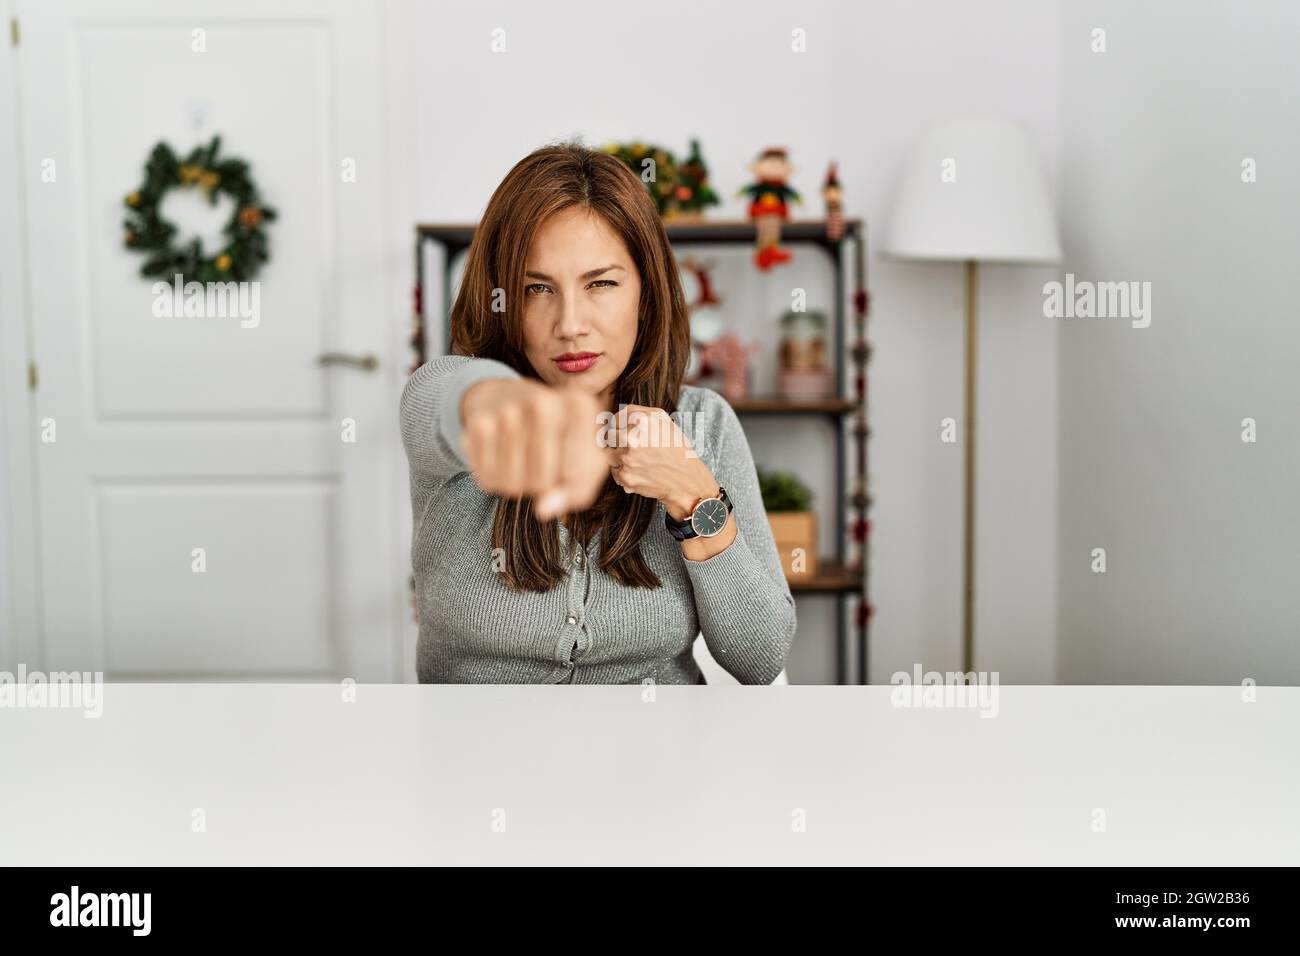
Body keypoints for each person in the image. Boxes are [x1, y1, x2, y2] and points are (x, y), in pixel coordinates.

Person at [399, 141, 795, 684]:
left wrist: (694, 497)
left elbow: (761, 659)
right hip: (480, 759)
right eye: (536, 289)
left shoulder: (704, 421)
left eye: (601, 283)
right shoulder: (446, 400)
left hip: (658, 759)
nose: (570, 323)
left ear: (646, 292)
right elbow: (449, 402)